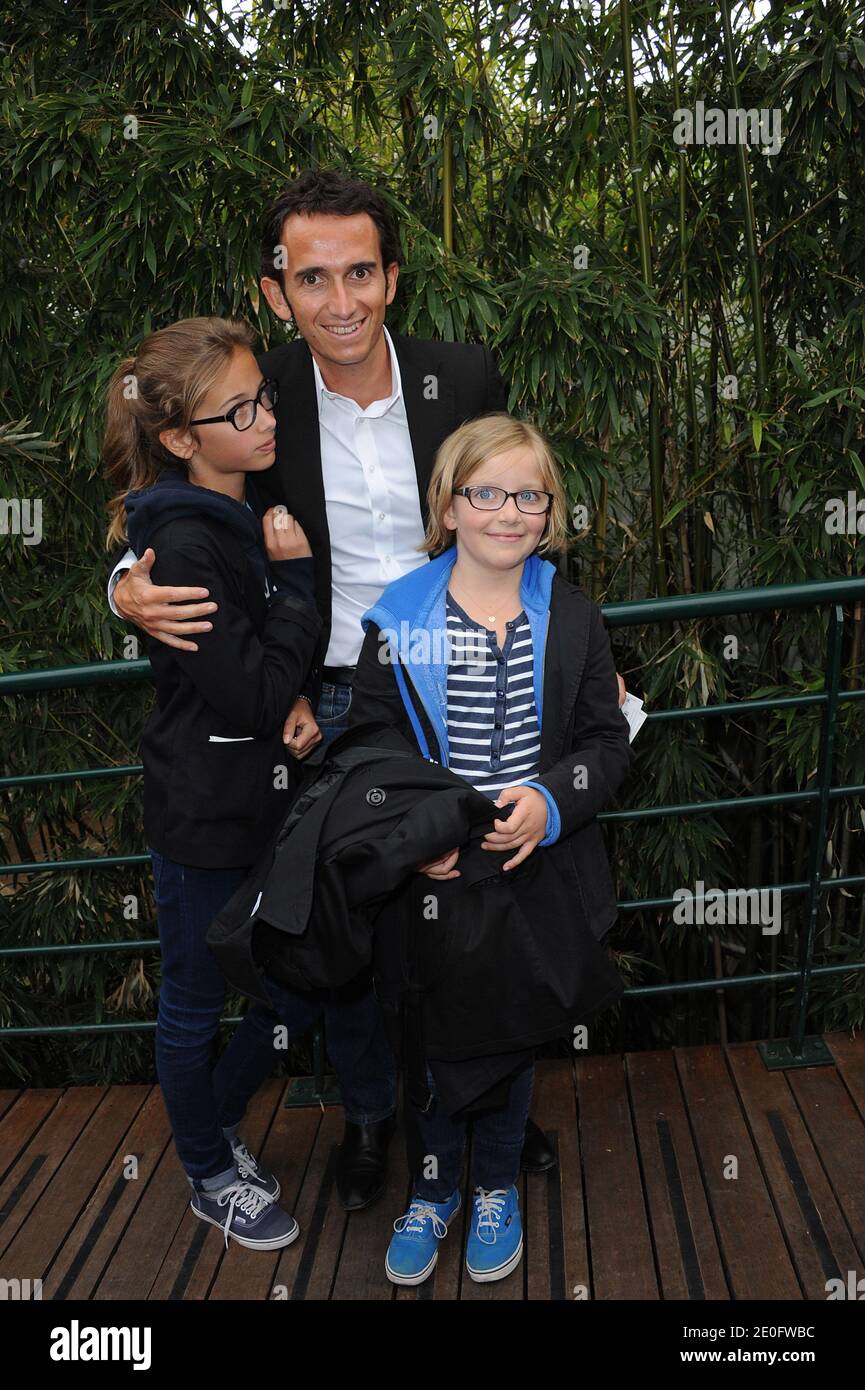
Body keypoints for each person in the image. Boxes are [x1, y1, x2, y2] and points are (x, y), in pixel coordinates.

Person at [103, 169, 559, 1205]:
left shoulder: (462, 374)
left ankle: (487, 1104)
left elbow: (514, 504)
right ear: (277, 292)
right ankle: (371, 1117)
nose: (339, 301)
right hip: (325, 704)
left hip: (460, 676)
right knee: (350, 935)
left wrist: (565, 653)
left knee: (481, 907)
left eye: (360, 272)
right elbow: (163, 495)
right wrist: (125, 584)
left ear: (393, 277)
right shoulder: (249, 400)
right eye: (312, 279)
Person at [347, 413, 632, 1285]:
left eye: (528, 495)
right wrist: (412, 840)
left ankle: (497, 1182)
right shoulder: (398, 622)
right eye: (486, 493)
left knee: (514, 1031)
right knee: (432, 1038)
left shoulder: (575, 620)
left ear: (548, 511)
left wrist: (550, 803)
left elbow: (604, 741)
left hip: (535, 867)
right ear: (448, 504)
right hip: (435, 873)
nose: (507, 512)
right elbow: (368, 747)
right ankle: (432, 1189)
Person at [103, 314, 327, 1250]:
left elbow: (265, 689)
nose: (266, 417)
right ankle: (204, 1168)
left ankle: (217, 1124)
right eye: (240, 409)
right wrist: (298, 581)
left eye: (263, 395)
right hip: (205, 813)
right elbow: (252, 686)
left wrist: (289, 698)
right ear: (179, 439)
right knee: (196, 995)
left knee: (295, 984)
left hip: (268, 802)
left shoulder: (237, 506)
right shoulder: (186, 546)